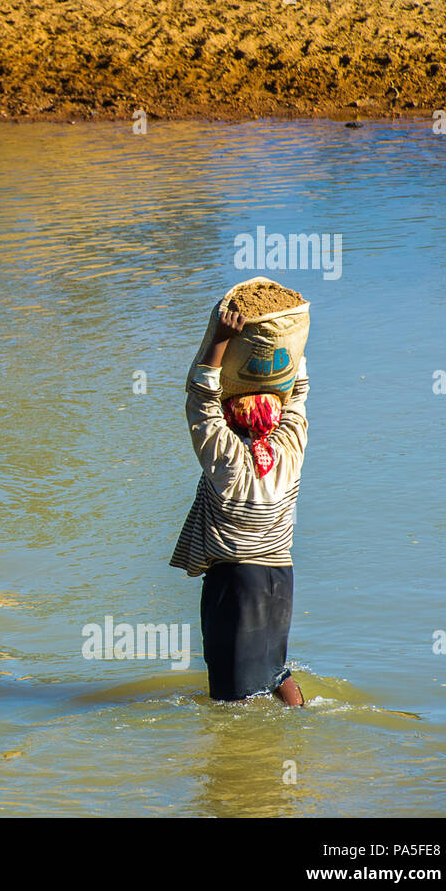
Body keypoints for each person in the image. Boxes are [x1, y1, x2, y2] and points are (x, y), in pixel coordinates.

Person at [170, 301, 309, 706]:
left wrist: (219, 341)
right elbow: (299, 395)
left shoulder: (228, 461)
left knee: (231, 696)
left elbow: (201, 402)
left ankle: (238, 759)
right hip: (280, 577)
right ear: (275, 418)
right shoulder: (289, 450)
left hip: (236, 582)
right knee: (274, 671)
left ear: (234, 418)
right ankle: (299, 720)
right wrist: (291, 340)